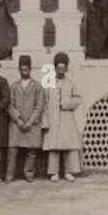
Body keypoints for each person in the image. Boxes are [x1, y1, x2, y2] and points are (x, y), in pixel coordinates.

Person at [42, 51, 83, 182]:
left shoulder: (70, 82)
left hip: (66, 118)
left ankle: (68, 171)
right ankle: (54, 172)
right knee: (54, 147)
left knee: (68, 146)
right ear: (55, 68)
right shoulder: (49, 82)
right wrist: (45, 120)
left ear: (66, 68)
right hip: (53, 119)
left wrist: (66, 104)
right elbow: (44, 101)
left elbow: (78, 98)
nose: (61, 70)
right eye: (58, 67)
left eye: (63, 67)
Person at [7, 53, 46, 182]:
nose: (24, 72)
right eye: (22, 69)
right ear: (19, 70)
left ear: (30, 69)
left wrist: (30, 121)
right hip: (16, 123)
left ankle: (28, 173)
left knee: (31, 150)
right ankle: (10, 174)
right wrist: (18, 119)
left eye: (26, 69)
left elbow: (39, 106)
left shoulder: (37, 86)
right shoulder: (13, 86)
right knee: (12, 149)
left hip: (32, 123)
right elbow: (9, 105)